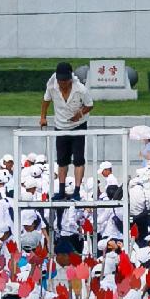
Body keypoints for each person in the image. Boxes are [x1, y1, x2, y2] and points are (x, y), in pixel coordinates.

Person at [39, 62, 94, 198]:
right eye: (60, 80)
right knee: (62, 160)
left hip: (78, 125)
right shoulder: (52, 85)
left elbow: (90, 105)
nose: (62, 83)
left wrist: (80, 114)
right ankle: (61, 190)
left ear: (70, 79)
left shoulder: (80, 89)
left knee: (78, 159)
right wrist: (43, 117)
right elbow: (46, 101)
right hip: (61, 125)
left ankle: (76, 191)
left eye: (65, 81)